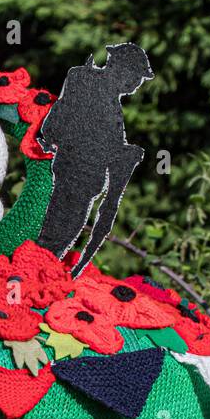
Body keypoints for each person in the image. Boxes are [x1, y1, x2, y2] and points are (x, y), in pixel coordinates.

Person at [37, 44, 154, 275]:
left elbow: (101, 139)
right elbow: (86, 135)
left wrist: (125, 151)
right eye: (135, 79)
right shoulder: (88, 83)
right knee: (56, 233)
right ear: (121, 69)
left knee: (64, 232)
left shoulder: (107, 98)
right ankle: (37, 274)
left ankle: (42, 272)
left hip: (84, 179)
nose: (134, 87)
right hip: (75, 174)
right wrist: (123, 152)